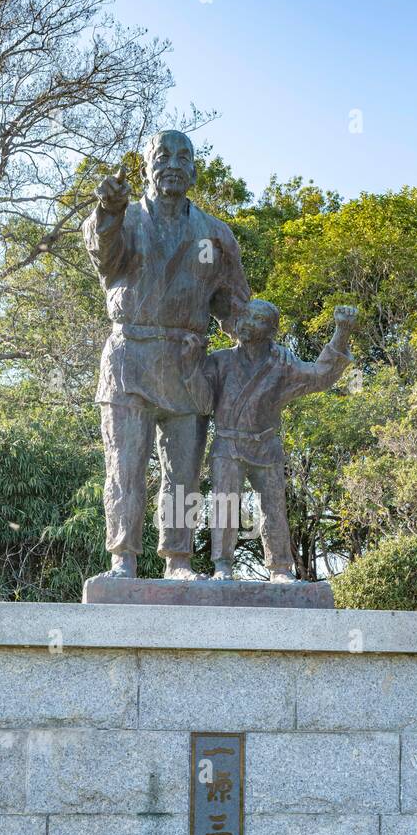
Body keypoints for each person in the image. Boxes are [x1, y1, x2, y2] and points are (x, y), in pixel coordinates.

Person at [83, 130, 250, 579]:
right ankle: (123, 559)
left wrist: (259, 345)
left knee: (183, 473)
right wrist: (108, 211)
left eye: (183, 156)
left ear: (195, 169)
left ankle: (178, 560)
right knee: (124, 467)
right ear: (146, 167)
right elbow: (104, 256)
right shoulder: (125, 218)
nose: (173, 163)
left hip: (187, 364)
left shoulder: (214, 235)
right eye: (162, 156)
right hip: (129, 360)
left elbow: (234, 308)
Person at [181, 301, 357, 581]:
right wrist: (191, 365)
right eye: (246, 316)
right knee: (224, 505)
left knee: (274, 508)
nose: (248, 322)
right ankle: (222, 565)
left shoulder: (283, 361)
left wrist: (341, 332)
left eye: (259, 319)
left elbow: (320, 376)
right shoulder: (220, 360)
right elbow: (202, 403)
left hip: (266, 445)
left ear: (272, 329)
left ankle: (279, 568)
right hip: (228, 445)